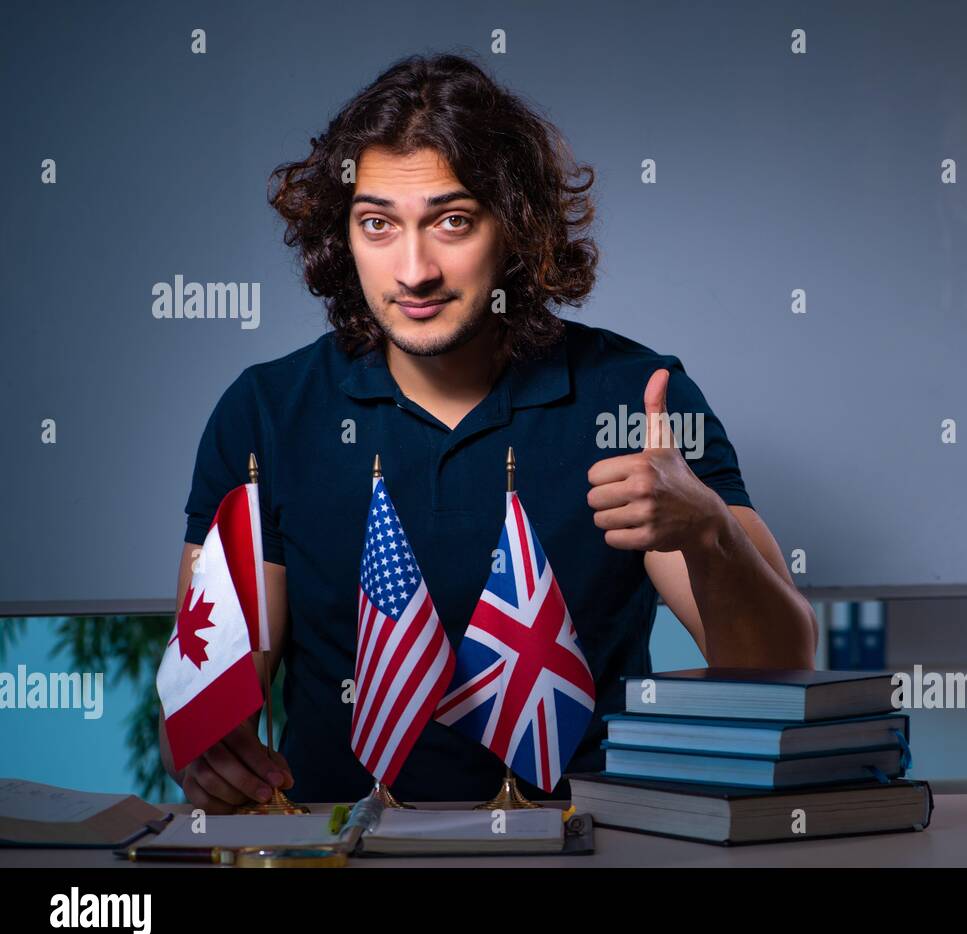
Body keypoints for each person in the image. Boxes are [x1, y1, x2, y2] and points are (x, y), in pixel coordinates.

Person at [160, 53, 817, 811]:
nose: (414, 269)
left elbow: (780, 669)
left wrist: (709, 532)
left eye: (452, 221)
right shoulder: (266, 413)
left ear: (516, 226)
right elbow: (207, 693)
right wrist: (207, 754)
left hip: (589, 845)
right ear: (344, 235)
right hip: (342, 846)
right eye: (378, 224)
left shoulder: (639, 401)